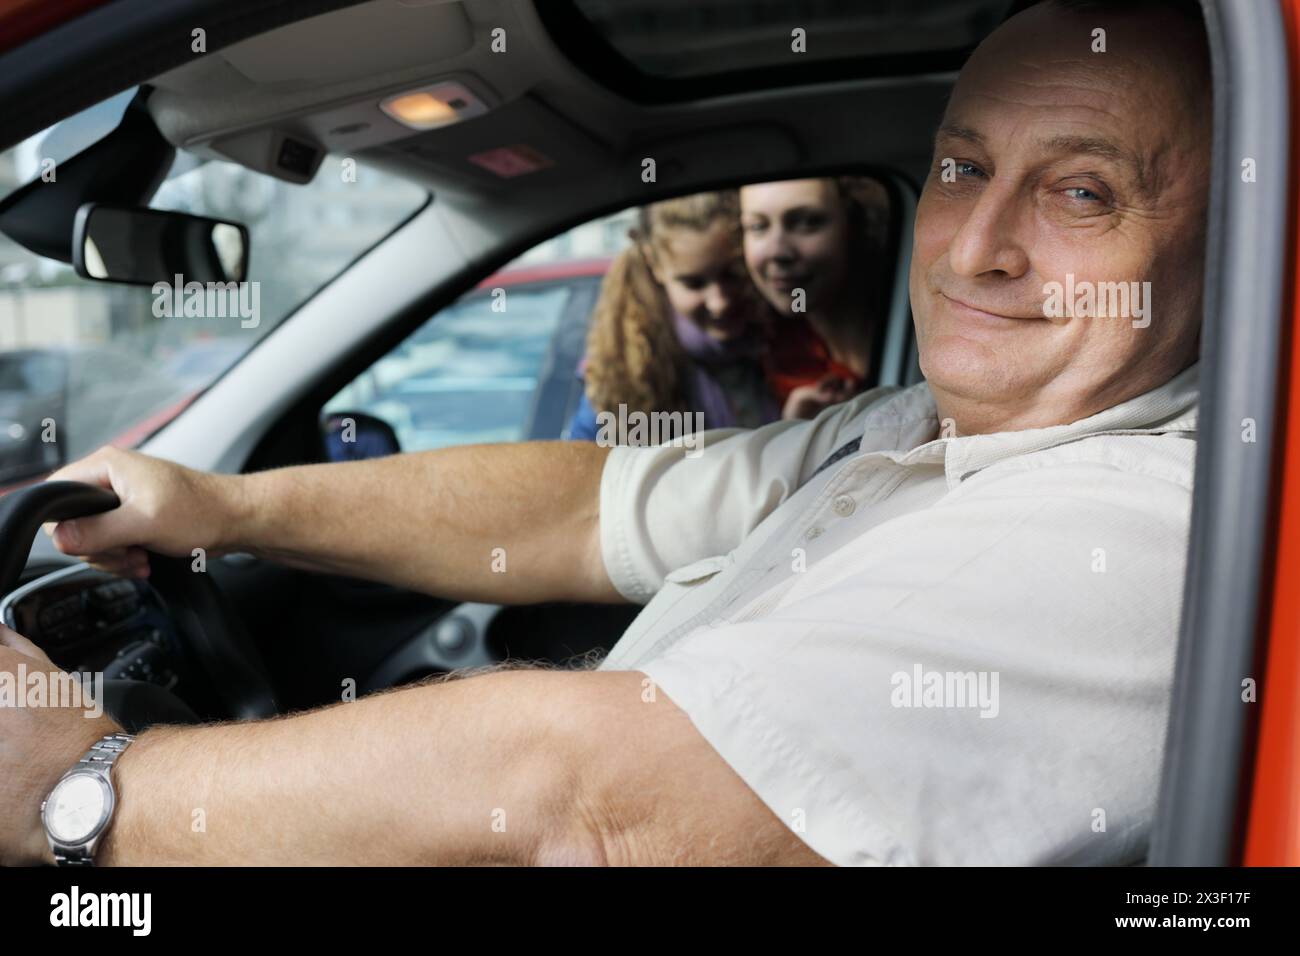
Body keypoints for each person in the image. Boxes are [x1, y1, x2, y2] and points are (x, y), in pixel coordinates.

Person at [0, 0, 1210, 866]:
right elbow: (587, 506)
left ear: (1233, 252)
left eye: (1082, 192)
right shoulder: (915, 428)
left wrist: (85, 788)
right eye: (961, 167)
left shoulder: (1145, 532)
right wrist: (221, 508)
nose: (973, 246)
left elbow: (592, 802)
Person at [567, 191, 779, 441]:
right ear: (654, 263)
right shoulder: (625, 378)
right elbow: (582, 469)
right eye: (694, 283)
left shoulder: (785, 338)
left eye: (733, 273)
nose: (719, 302)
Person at [740, 176, 892, 418]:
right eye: (758, 226)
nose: (777, 251)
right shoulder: (772, 346)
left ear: (855, 224)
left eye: (807, 222)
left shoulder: (909, 327)